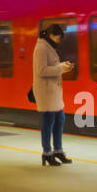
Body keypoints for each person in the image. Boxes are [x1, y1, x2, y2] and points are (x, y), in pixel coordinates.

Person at [32, 24, 74, 166]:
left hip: (53, 90)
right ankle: (47, 153)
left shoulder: (48, 46)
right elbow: (41, 71)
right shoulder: (41, 48)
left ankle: (58, 151)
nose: (58, 41)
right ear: (50, 35)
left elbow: (51, 66)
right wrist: (61, 68)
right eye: (57, 37)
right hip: (46, 91)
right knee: (49, 122)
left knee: (59, 119)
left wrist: (63, 65)